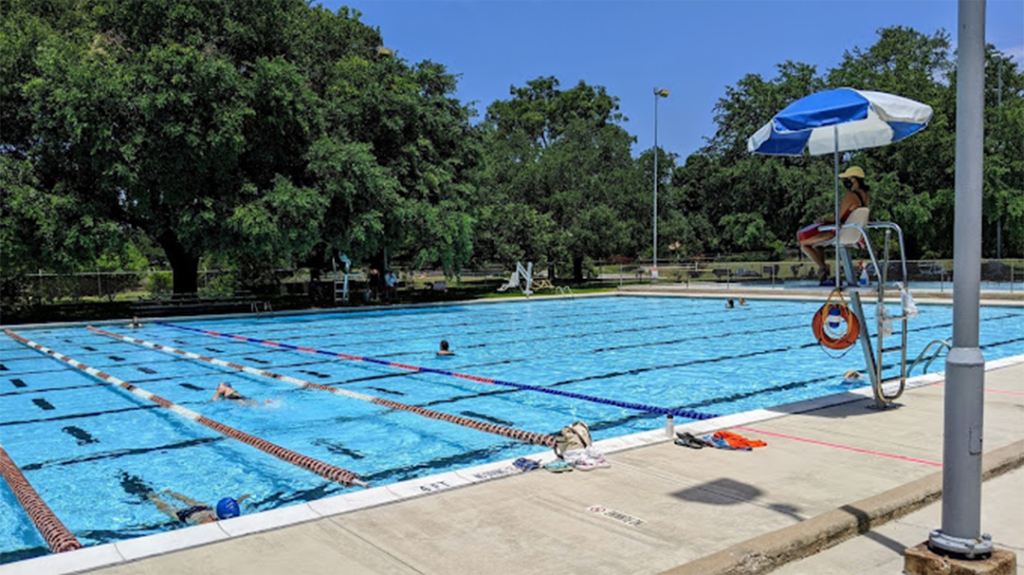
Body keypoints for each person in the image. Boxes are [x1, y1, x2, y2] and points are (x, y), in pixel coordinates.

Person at [798, 166, 871, 285]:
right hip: (855, 233)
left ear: (853, 179)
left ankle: (824, 267)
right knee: (818, 245)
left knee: (803, 244)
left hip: (840, 232)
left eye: (846, 178)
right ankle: (824, 275)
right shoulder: (865, 196)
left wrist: (822, 219)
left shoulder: (850, 196)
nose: (845, 182)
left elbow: (838, 218)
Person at [149, 490, 249, 526]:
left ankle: (169, 492)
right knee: (167, 509)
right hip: (192, 516)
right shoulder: (207, 523)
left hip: (205, 508)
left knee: (187, 500)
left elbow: (237, 502)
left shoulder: (220, 512)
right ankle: (154, 497)